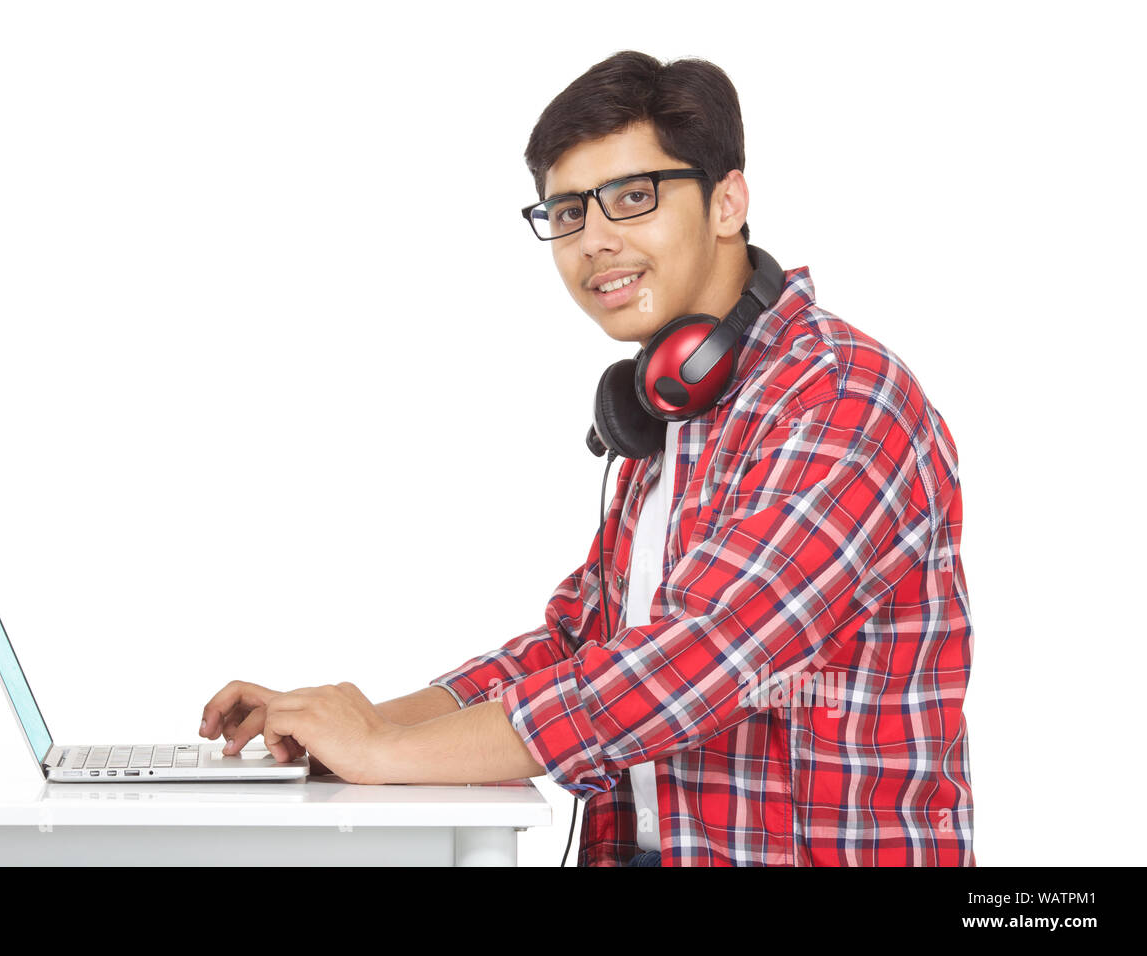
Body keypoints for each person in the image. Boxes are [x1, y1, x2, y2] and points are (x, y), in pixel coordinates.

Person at [198, 50, 975, 867]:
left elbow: (694, 662)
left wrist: (384, 756)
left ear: (728, 201)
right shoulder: (673, 408)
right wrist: (352, 728)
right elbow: (578, 644)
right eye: (567, 212)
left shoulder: (842, 399)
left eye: (632, 198)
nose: (594, 240)